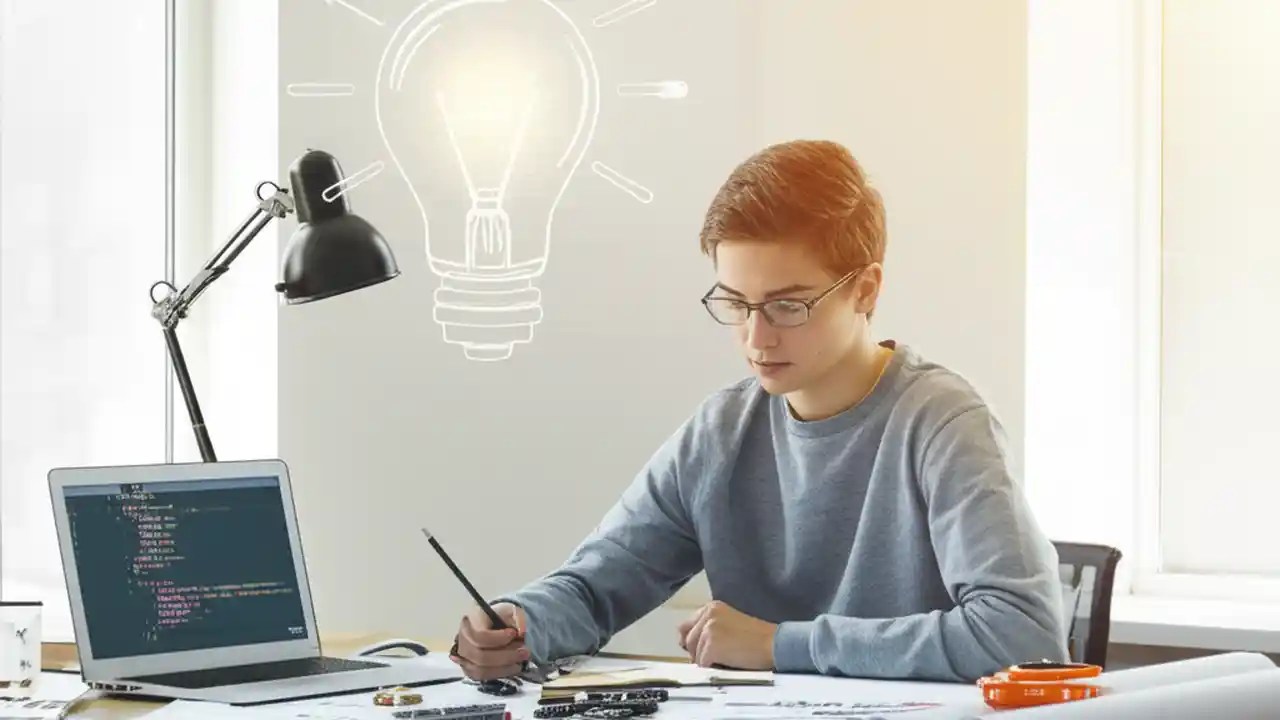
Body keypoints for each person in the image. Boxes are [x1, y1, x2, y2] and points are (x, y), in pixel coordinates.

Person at [448, 139, 1068, 683]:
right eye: (736, 303)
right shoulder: (721, 432)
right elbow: (596, 585)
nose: (756, 338)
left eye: (788, 306)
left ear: (866, 289)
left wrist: (778, 644)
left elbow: (1023, 636)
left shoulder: (943, 422)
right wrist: (520, 623)